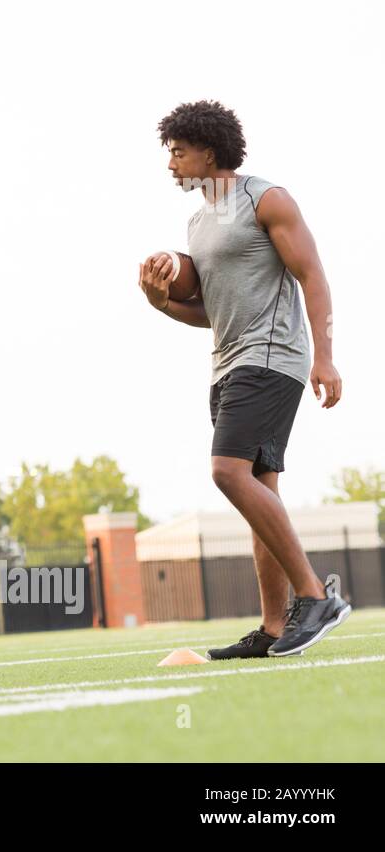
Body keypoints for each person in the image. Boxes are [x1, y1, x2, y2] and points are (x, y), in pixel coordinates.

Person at [141, 100, 351, 659]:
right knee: (259, 486)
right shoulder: (197, 223)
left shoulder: (267, 199)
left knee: (226, 471)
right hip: (229, 361)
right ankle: (275, 627)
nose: (170, 163)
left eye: (178, 152)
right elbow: (215, 311)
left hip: (272, 357)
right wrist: (162, 304)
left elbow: (313, 276)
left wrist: (324, 357)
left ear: (209, 151)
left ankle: (315, 596)